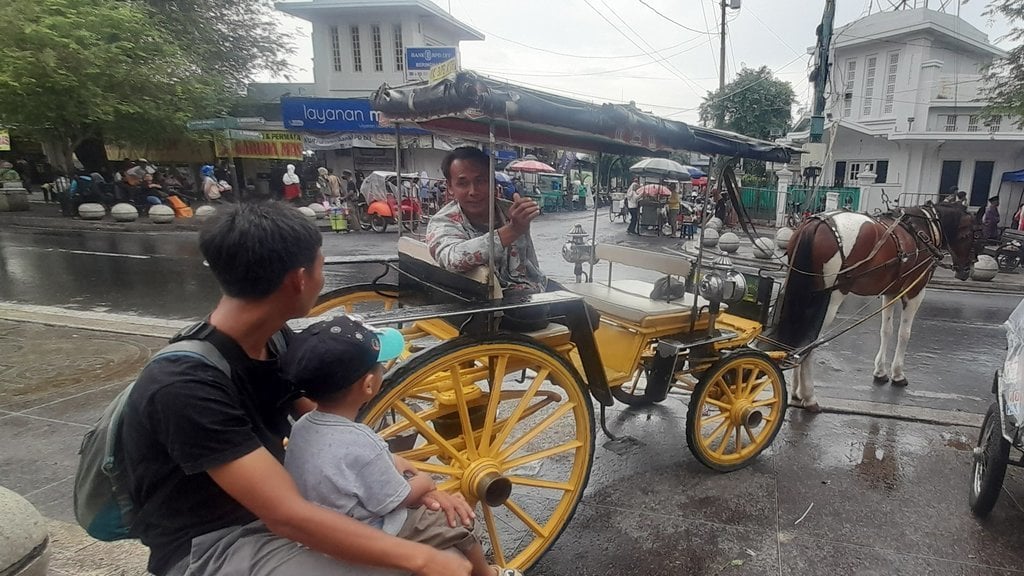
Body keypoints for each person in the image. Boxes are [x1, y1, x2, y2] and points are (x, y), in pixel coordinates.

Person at [122, 202, 474, 576]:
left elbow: (330, 426)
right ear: (299, 280)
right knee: (430, 566)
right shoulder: (186, 386)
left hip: (270, 512)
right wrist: (424, 559)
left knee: (442, 545)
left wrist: (409, 482)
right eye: (322, 265)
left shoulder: (274, 341)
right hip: (214, 543)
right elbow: (287, 516)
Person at [282, 316, 522, 576]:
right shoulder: (361, 441)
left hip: (321, 531)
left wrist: (400, 466)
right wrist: (427, 483)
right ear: (369, 385)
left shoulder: (302, 426)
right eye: (379, 365)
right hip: (373, 529)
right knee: (462, 519)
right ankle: (489, 573)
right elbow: (397, 499)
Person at [426, 146, 599, 329]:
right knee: (534, 315)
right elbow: (452, 258)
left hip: (529, 285)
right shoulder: (442, 222)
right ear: (450, 188)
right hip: (484, 302)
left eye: (481, 181)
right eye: (463, 183)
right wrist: (512, 230)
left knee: (589, 316)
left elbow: (530, 261)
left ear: (493, 183)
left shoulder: (511, 210)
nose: (473, 191)